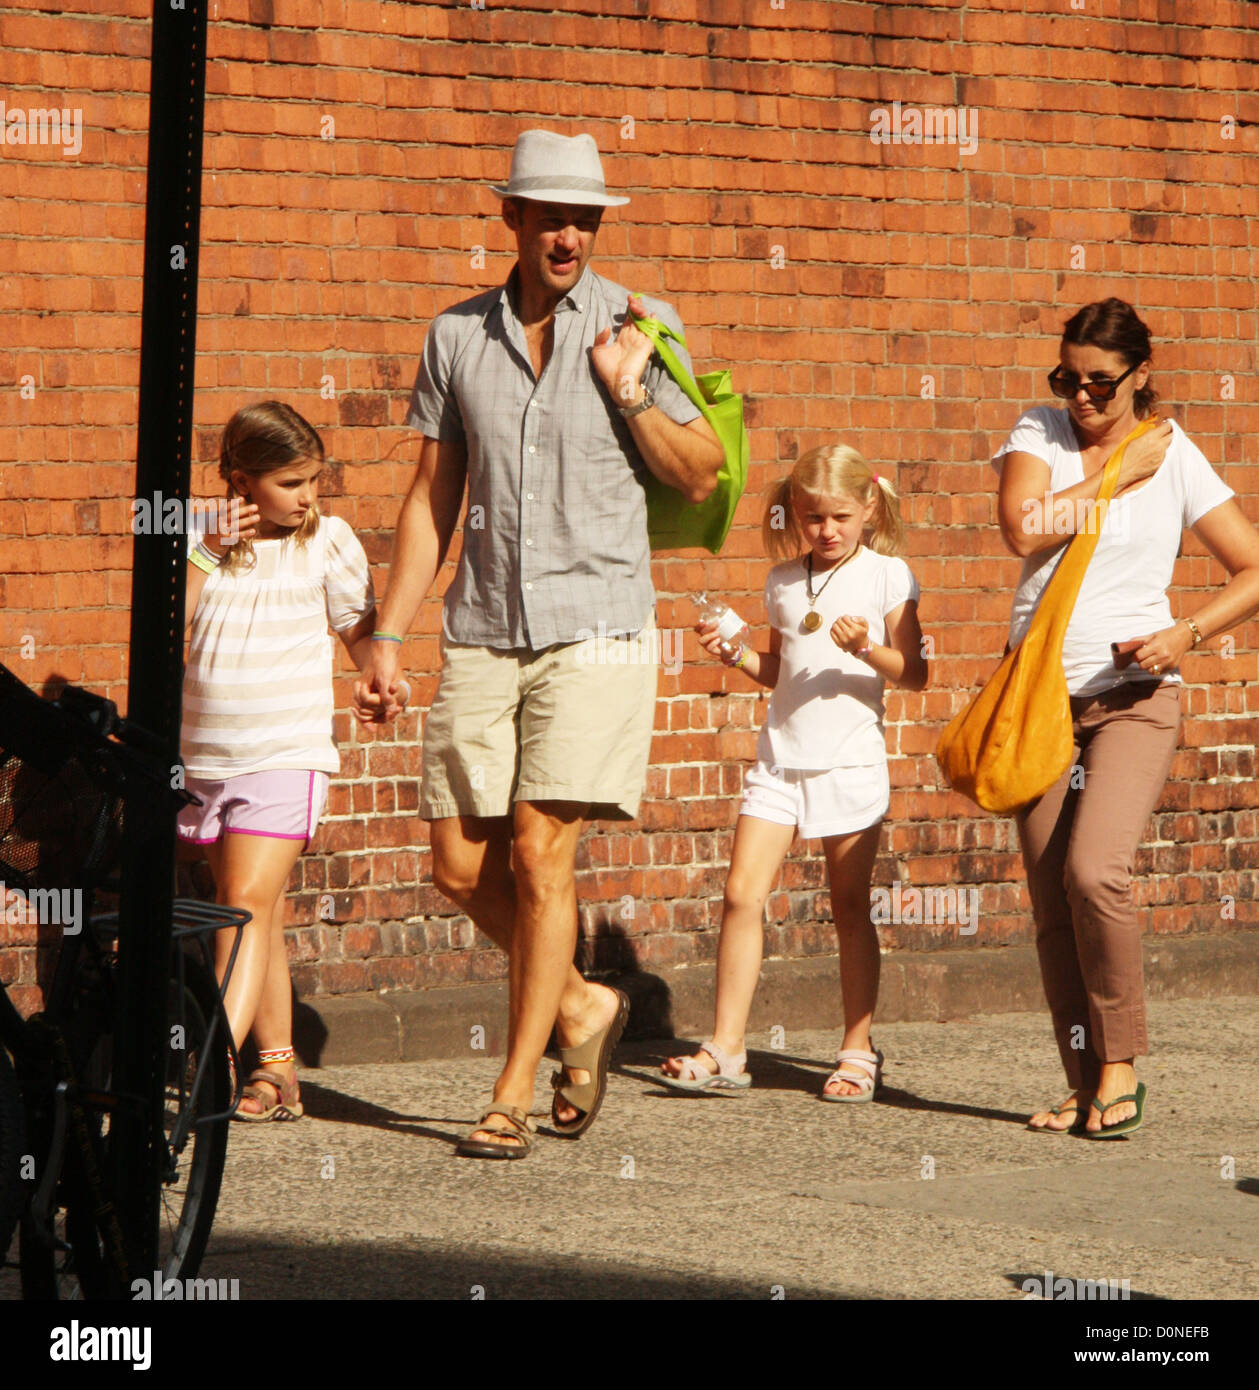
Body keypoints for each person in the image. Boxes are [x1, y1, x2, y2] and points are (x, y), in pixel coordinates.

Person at [355, 130, 723, 1158]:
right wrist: (389, 627)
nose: (567, 234)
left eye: (584, 218)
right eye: (548, 215)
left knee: (537, 851)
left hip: (597, 627)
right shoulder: (456, 337)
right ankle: (580, 1005)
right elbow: (432, 493)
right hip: (482, 622)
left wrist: (632, 386)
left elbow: (697, 472)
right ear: (509, 216)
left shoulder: (643, 324)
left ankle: (510, 1089)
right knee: (454, 859)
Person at [994, 298, 1259, 1137]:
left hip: (1133, 700)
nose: (1079, 396)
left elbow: (1251, 569)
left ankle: (1120, 1065)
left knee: (1095, 873)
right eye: (1065, 377)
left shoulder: (1175, 455)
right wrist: (1115, 470)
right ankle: (1081, 1080)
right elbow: (1023, 529)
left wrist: (1185, 633)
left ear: (1141, 374)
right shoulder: (1038, 432)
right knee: (1048, 901)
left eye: (1098, 383)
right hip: (1037, 702)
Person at [660, 446, 927, 1099]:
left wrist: (867, 647)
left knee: (847, 905)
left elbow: (916, 673)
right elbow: (779, 670)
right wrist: (737, 654)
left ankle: (858, 1049)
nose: (826, 530)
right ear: (794, 513)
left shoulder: (889, 575)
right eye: (812, 518)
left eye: (839, 515)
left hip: (849, 760)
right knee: (739, 896)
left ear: (868, 506)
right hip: (779, 758)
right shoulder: (781, 580)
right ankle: (726, 1048)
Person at [181, 401, 378, 1120]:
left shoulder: (328, 541)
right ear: (241, 481)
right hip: (207, 757)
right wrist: (203, 551)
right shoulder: (200, 542)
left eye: (314, 481)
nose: (307, 497)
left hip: (286, 752)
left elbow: (359, 628)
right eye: (292, 483)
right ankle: (277, 1069)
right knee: (249, 916)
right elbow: (174, 622)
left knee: (243, 910)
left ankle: (205, 1070)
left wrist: (377, 674)